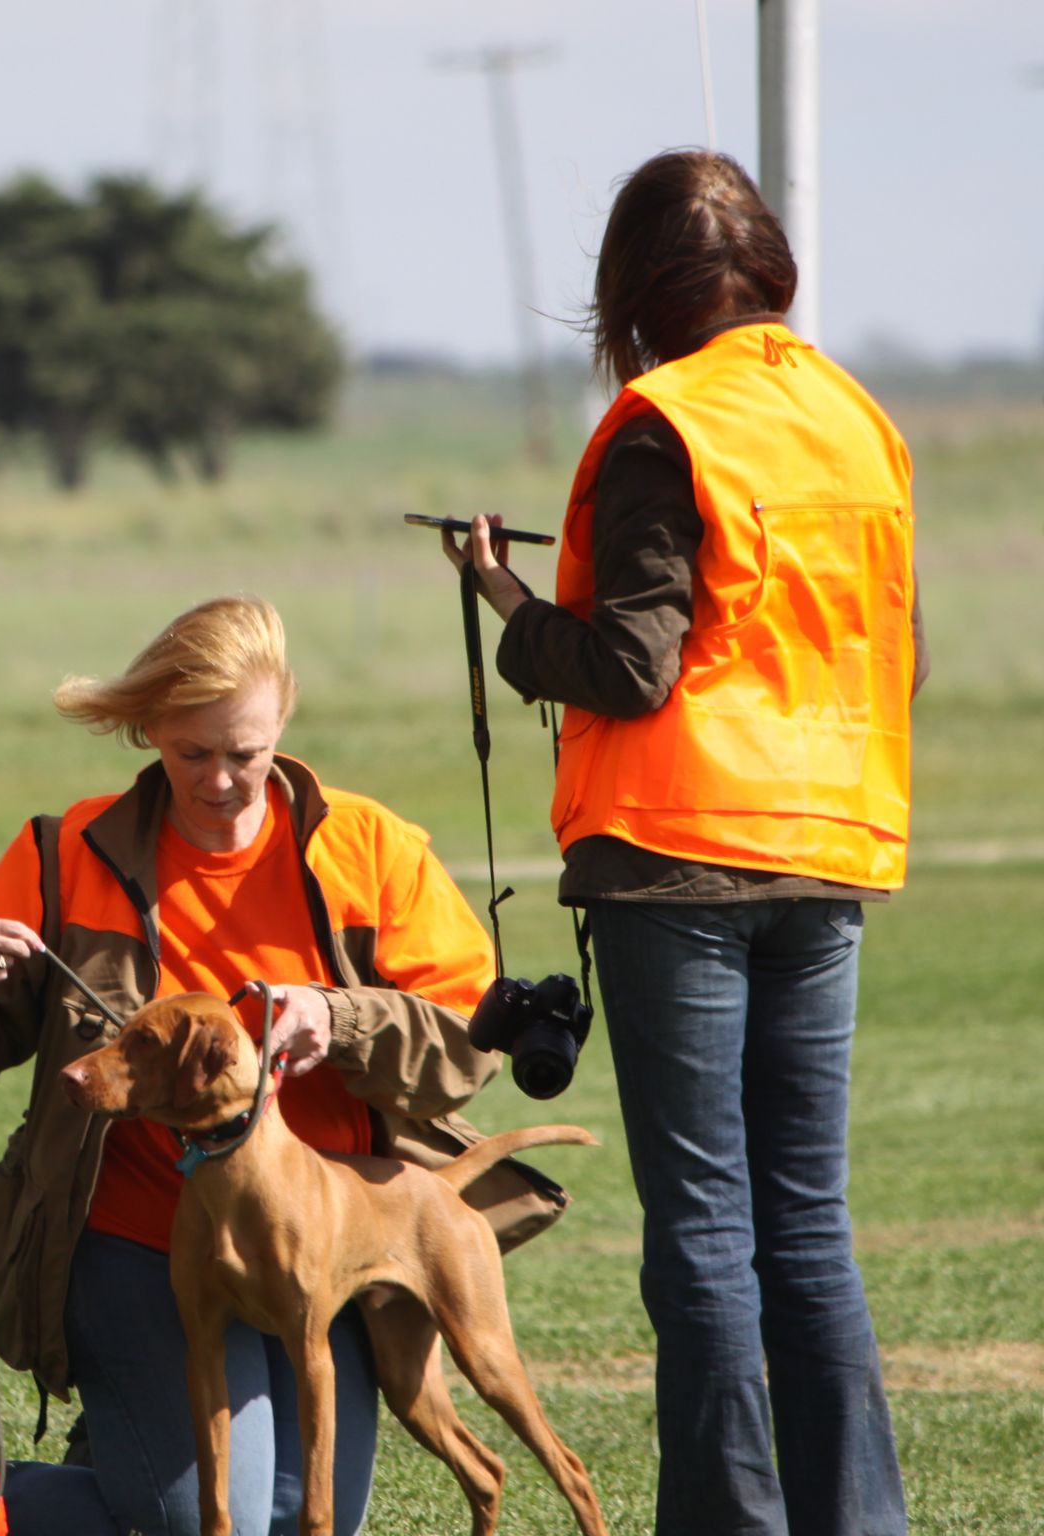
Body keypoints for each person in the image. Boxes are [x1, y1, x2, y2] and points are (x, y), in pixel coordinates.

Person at [0, 595, 574, 1536]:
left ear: (283, 724)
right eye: (193, 753)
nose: (222, 781)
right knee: (199, 1521)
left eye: (246, 752)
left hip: (315, 1236)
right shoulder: (65, 854)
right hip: (133, 1238)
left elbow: (466, 1047)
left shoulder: (371, 850)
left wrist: (340, 1017)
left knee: (306, 1518)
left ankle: (123, 1446)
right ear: (149, 731)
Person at [447, 149, 925, 1536]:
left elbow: (631, 668)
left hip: (675, 858)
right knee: (809, 1222)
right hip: (827, 848)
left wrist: (503, 599)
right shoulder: (859, 421)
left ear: (637, 291)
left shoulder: (663, 424)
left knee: (706, 1228)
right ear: (768, 267)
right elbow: (899, 655)